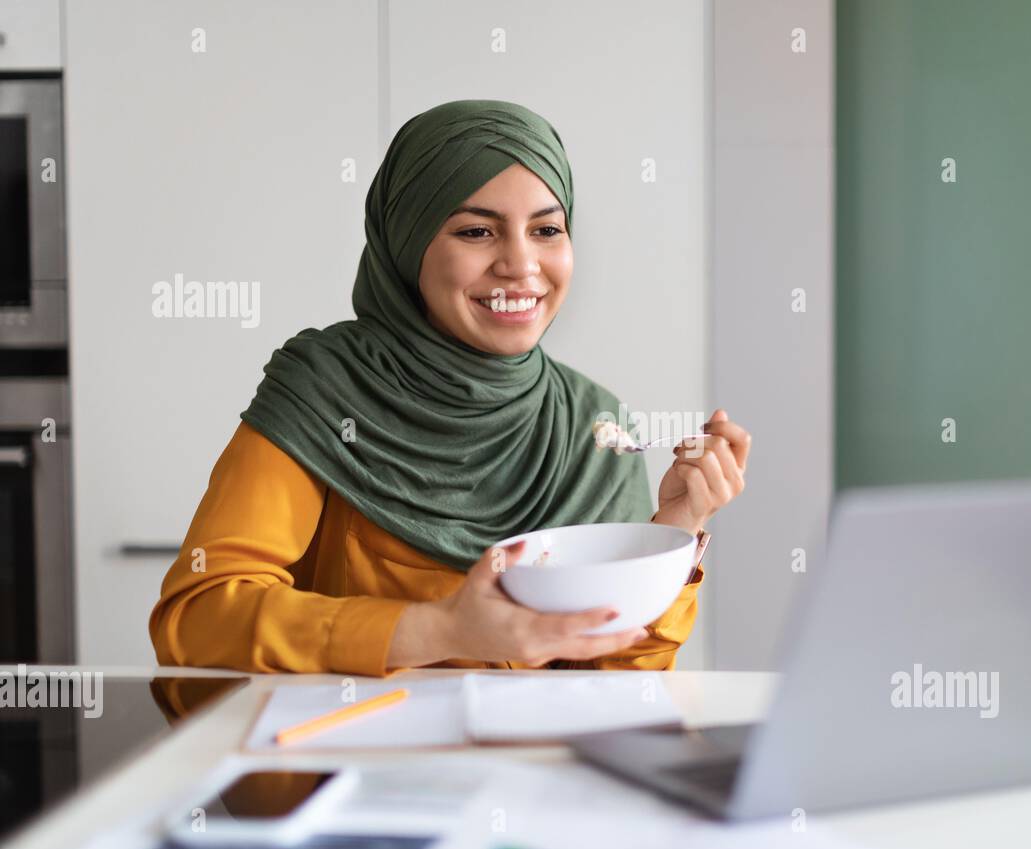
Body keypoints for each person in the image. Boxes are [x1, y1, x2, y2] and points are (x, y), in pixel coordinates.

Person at [148, 99, 751, 676]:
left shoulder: (592, 421)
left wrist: (673, 527)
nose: (521, 264)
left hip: (526, 774)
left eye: (546, 230)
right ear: (408, 244)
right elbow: (198, 617)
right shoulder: (326, 389)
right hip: (351, 767)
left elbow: (608, 676)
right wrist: (440, 630)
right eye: (475, 232)